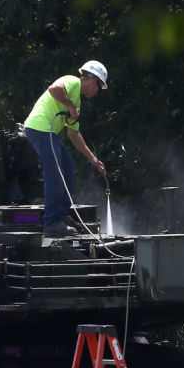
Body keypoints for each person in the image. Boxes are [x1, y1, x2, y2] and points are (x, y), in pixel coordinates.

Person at [23, 60, 108, 237]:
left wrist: (93, 159)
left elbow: (73, 135)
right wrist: (70, 105)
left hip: (48, 132)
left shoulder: (76, 100)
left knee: (68, 167)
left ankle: (60, 217)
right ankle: (52, 223)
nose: (98, 93)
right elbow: (54, 89)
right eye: (100, 88)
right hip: (40, 127)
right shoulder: (72, 81)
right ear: (93, 80)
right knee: (55, 173)